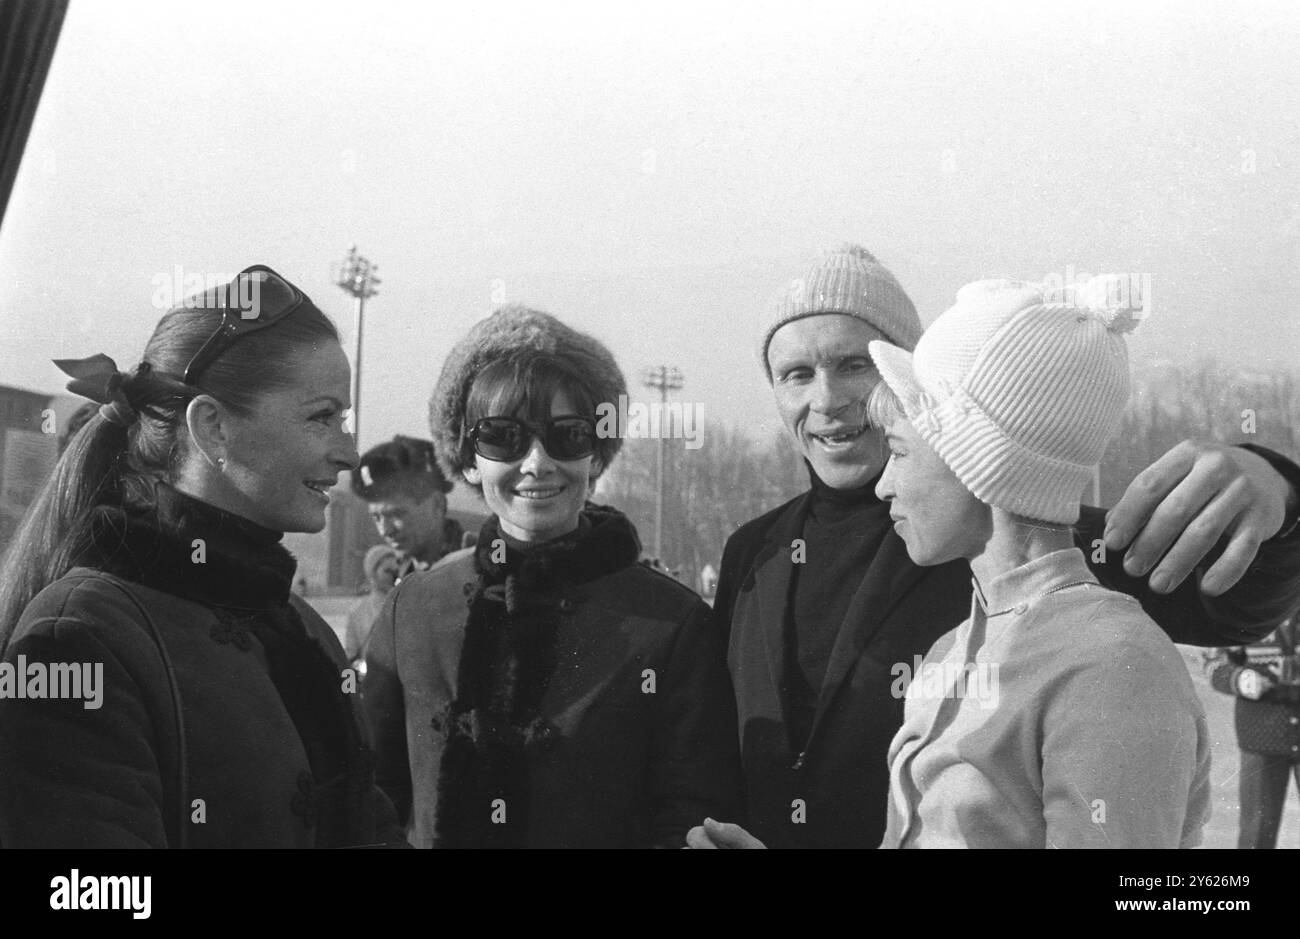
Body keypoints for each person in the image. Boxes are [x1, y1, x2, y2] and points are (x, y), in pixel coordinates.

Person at [690, 244, 1300, 849]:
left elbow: (1234, 600)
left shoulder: (1034, 542)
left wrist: (1280, 498)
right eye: (796, 373)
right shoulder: (755, 554)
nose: (824, 399)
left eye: (853, 365)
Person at [0, 265, 405, 848]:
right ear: (212, 427)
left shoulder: (303, 629)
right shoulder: (78, 636)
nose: (347, 452)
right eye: (322, 417)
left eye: (342, 420)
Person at [363, 305, 742, 847]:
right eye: (502, 437)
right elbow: (368, 794)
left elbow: (691, 814)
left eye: (567, 436)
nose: (537, 463)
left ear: (596, 454)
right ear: (468, 460)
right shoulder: (412, 611)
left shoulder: (672, 626)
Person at [871, 279, 1209, 847]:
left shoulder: (1111, 663)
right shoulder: (949, 650)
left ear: (978, 460)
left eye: (900, 451)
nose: (883, 485)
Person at [1206, 616, 1300, 848]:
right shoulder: (1251, 606)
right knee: (1257, 831)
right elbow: (1214, 661)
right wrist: (1239, 680)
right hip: (1260, 735)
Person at [353, 435, 462, 585]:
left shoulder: (480, 563)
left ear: (437, 505)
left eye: (396, 514)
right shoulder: (401, 574)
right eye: (376, 517)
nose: (385, 531)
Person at [343, 543, 400, 666]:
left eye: (396, 571)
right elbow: (350, 656)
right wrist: (349, 686)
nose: (393, 577)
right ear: (372, 573)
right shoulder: (358, 611)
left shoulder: (407, 605)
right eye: (387, 571)